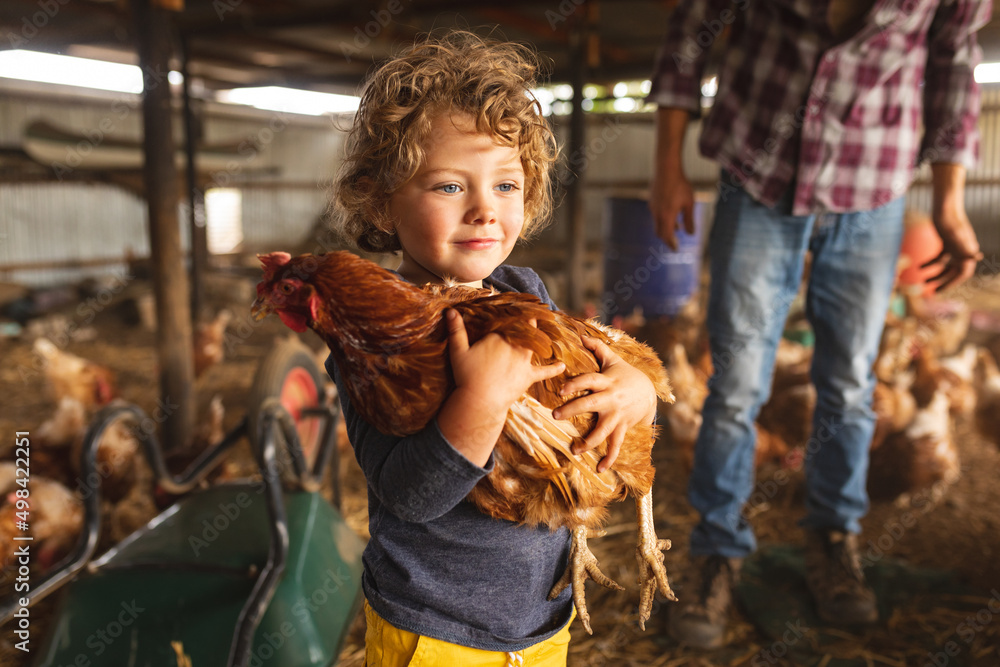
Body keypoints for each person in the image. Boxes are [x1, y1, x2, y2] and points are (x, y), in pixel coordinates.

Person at [647, 0, 990, 648]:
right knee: (736, 384)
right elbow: (693, 24)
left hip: (875, 181)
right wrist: (668, 160)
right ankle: (717, 549)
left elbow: (952, 60)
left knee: (852, 383)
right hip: (759, 167)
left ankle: (834, 537)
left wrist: (948, 196)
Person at [329, 31, 658, 666]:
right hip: (434, 632)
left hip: (539, 622)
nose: (484, 210)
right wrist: (481, 398)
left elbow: (584, 392)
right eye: (450, 187)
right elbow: (410, 498)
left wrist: (635, 393)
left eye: (505, 186)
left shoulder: (523, 290)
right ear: (381, 200)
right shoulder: (374, 339)